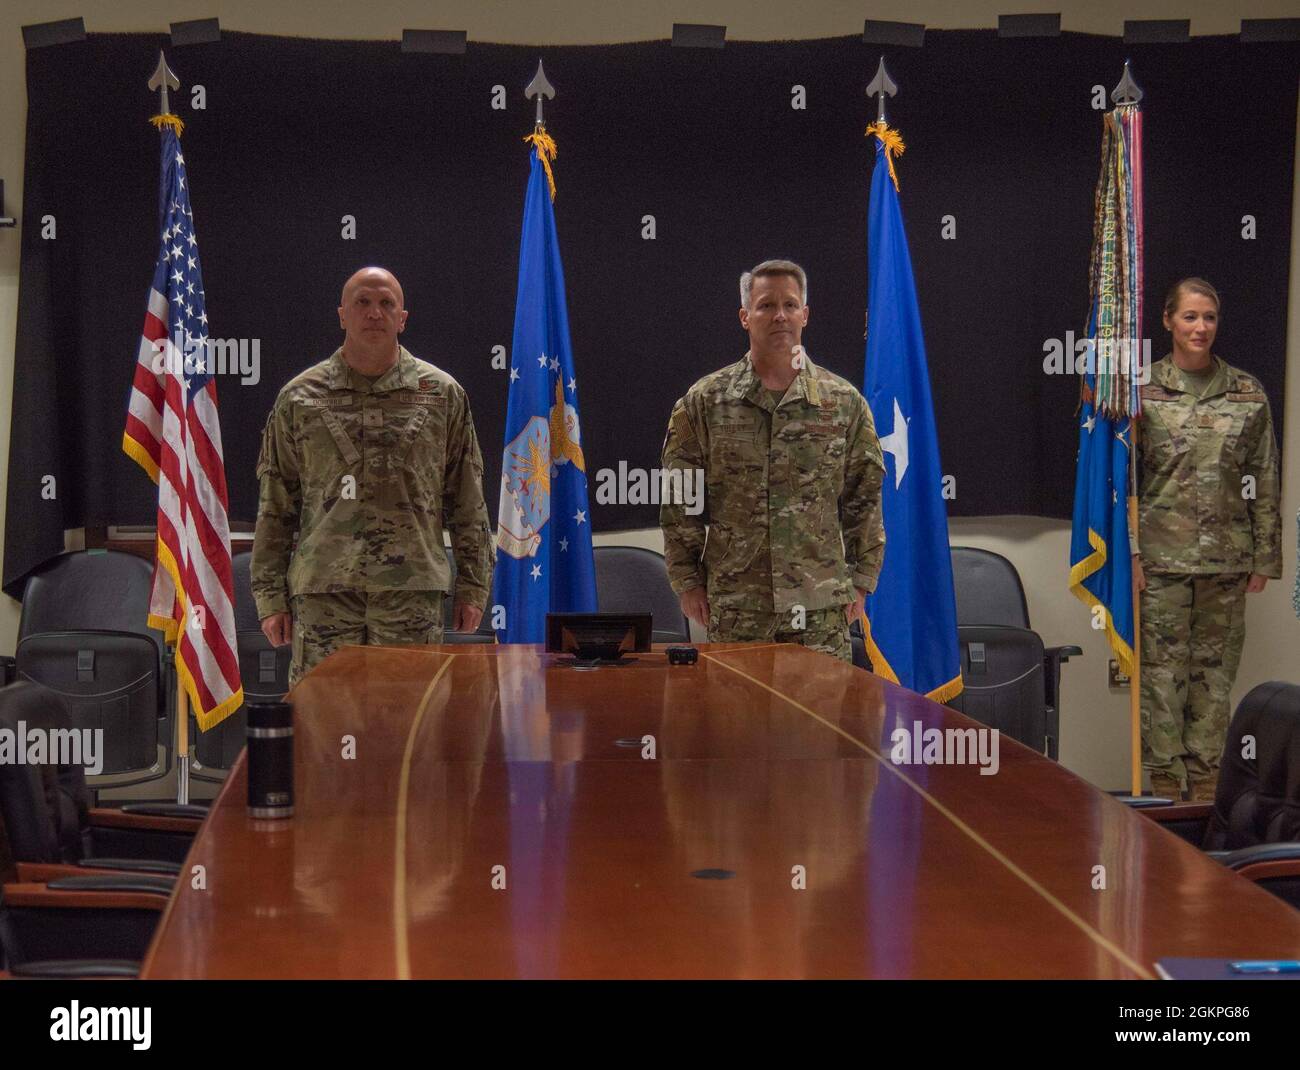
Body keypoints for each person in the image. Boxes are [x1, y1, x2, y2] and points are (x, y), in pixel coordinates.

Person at [251, 267, 494, 685]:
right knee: (323, 722)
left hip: (411, 591)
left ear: (403, 317)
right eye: (362, 302)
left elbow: (467, 499)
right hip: (325, 590)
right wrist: (269, 596)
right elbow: (277, 503)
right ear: (342, 314)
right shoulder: (299, 397)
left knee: (409, 722)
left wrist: (473, 587)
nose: (374, 313)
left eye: (386, 304)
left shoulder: (441, 395)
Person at [659, 259, 885, 662]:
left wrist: (863, 579)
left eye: (790, 304)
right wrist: (687, 581)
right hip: (736, 606)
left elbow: (864, 498)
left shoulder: (844, 403)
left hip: (818, 608)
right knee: (735, 724)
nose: (779, 315)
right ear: (745, 317)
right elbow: (680, 500)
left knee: (819, 722)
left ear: (805, 314)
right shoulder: (705, 401)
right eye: (765, 305)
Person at [1134, 277, 1281, 802]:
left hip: (1226, 563)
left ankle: (1203, 794)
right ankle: (1165, 792)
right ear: (1169, 321)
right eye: (1190, 316)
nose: (1201, 327)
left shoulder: (1247, 393)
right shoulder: (1141, 391)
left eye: (1210, 317)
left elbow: (1265, 477)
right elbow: (1122, 484)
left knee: (1214, 684)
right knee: (1161, 682)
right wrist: (1128, 552)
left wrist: (1265, 555)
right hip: (1161, 563)